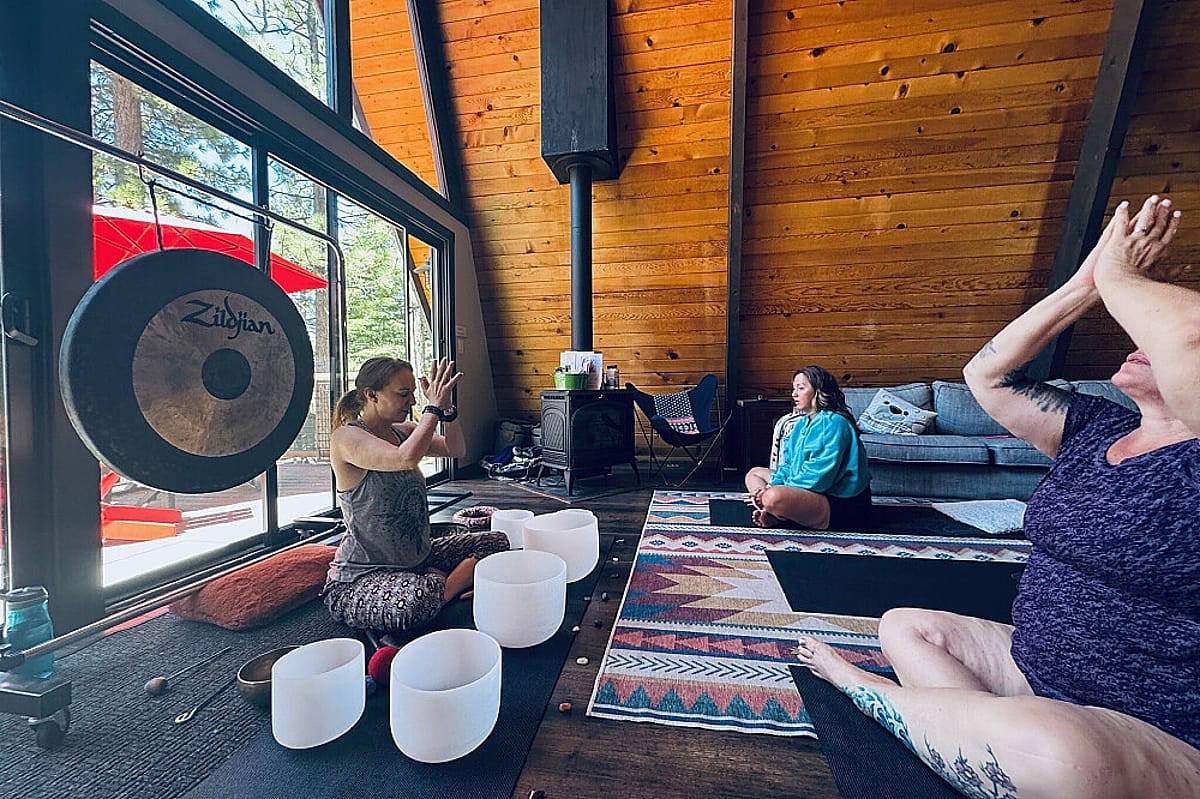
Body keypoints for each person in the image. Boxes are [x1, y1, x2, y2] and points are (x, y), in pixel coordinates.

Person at [794, 196, 1200, 799]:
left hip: (1159, 730)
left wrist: (1123, 276)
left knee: (1060, 754)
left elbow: (1187, 335)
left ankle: (875, 696)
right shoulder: (1096, 429)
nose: (1139, 332)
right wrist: (1084, 283)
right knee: (906, 627)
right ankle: (979, 733)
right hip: (1034, 672)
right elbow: (986, 375)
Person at [323, 356, 508, 635]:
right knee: (414, 602)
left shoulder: (403, 431)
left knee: (497, 542)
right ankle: (446, 588)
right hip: (363, 576)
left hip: (419, 557)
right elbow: (405, 458)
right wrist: (432, 407)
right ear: (371, 394)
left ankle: (440, 588)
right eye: (403, 394)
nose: (411, 402)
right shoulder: (346, 438)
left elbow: (455, 449)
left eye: (413, 393)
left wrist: (446, 411)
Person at [743, 365, 872, 530]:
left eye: (801, 388)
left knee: (773, 497)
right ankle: (777, 511)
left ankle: (777, 512)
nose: (793, 394)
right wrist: (771, 485)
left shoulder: (834, 422)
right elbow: (787, 465)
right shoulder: (802, 424)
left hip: (838, 501)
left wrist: (773, 490)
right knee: (754, 474)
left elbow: (820, 477)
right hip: (808, 490)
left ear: (818, 392)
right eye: (794, 388)